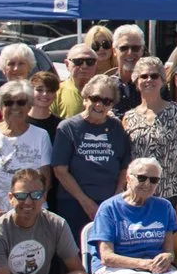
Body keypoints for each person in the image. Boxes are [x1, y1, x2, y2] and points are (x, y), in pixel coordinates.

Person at [0, 81, 53, 259]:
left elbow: (46, 181)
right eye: (8, 102)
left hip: (29, 215)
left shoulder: (41, 135)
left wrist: (25, 213)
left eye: (20, 102)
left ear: (29, 106)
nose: (14, 107)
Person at [51, 74, 135, 232]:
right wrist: (86, 202)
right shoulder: (67, 127)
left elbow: (125, 166)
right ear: (85, 98)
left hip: (108, 202)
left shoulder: (117, 128)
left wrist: (116, 198)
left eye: (106, 101)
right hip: (74, 202)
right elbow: (60, 171)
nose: (99, 105)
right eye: (95, 98)